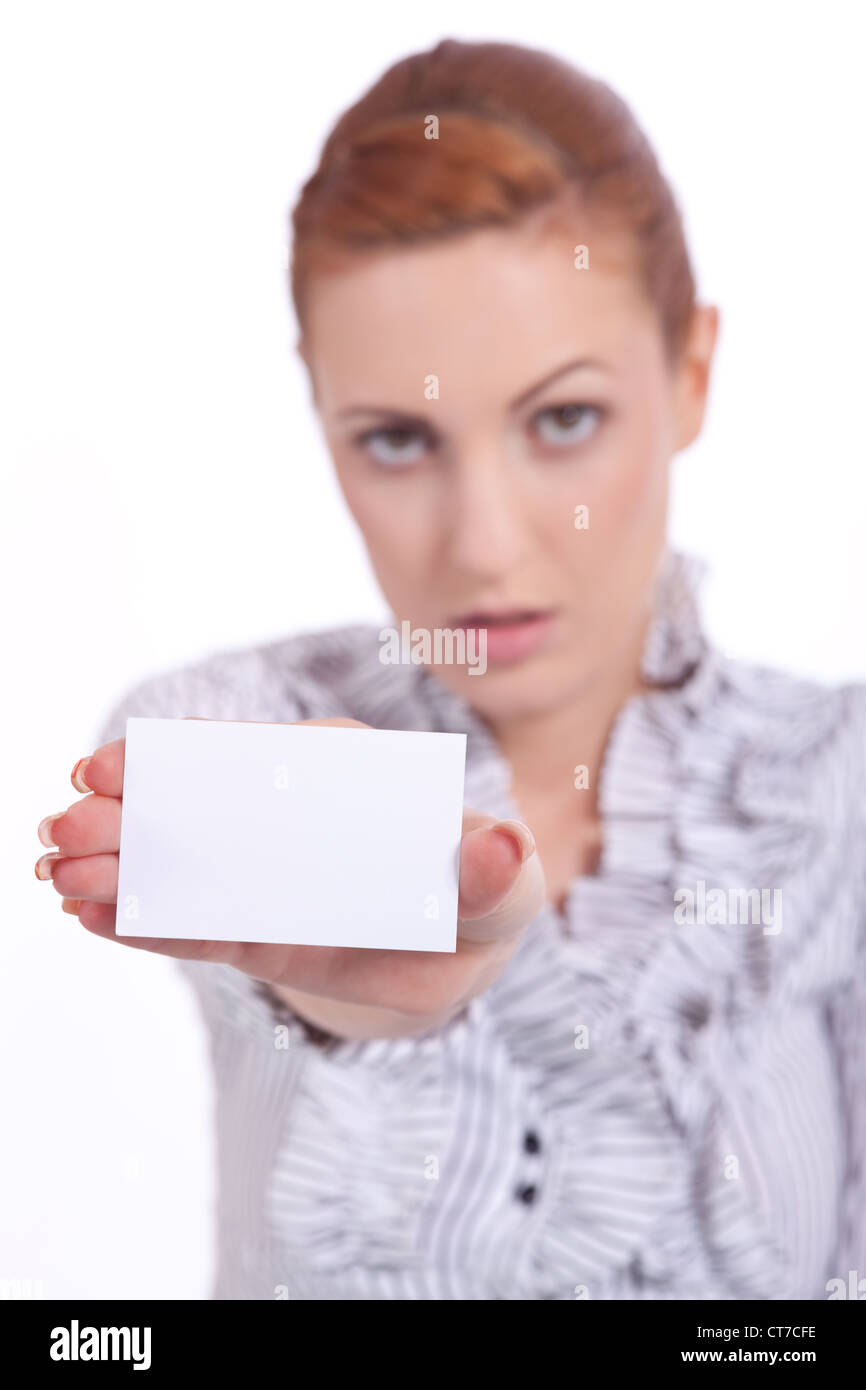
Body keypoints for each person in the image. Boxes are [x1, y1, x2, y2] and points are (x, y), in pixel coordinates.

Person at [34, 38, 866, 1300]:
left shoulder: (834, 785)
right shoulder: (230, 737)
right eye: (396, 439)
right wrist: (365, 971)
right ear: (321, 422)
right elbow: (331, 993)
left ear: (689, 375)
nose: (482, 543)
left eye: (563, 418)